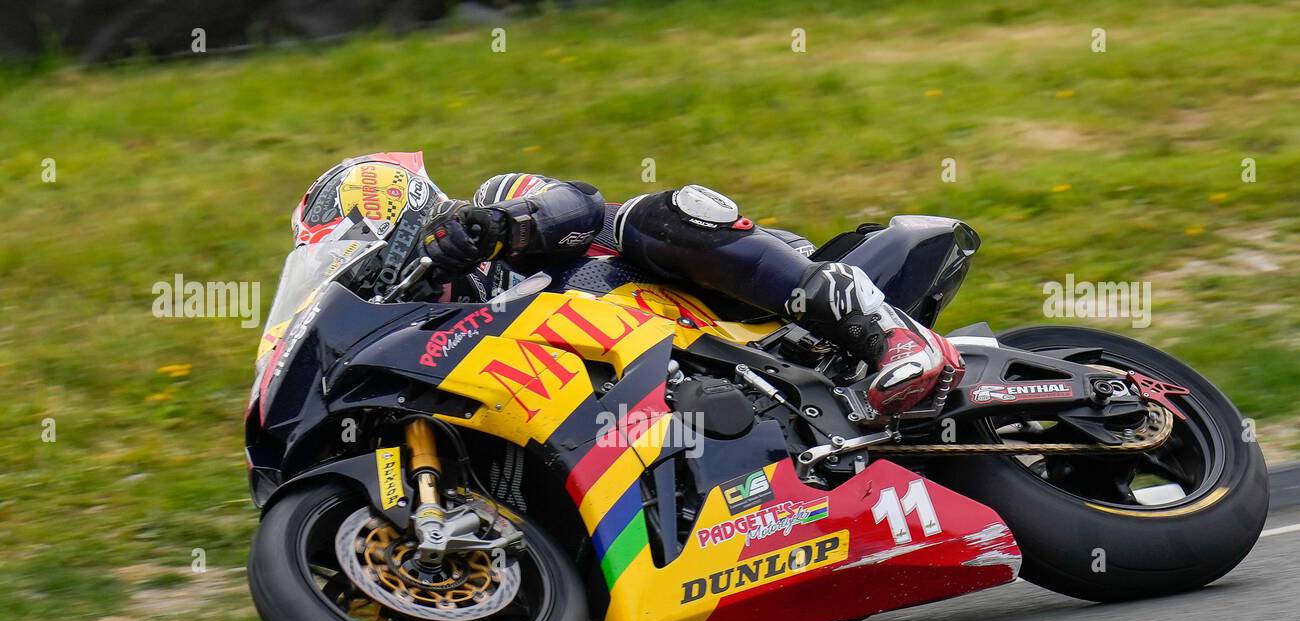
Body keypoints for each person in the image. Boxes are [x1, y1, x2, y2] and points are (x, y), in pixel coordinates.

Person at [292, 152, 955, 416]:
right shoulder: (433, 347)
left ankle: (881, 331)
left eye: (385, 251)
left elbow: (578, 204)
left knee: (649, 216)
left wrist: (503, 226)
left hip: (716, 312)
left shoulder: (494, 205)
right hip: (654, 402)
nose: (382, 275)